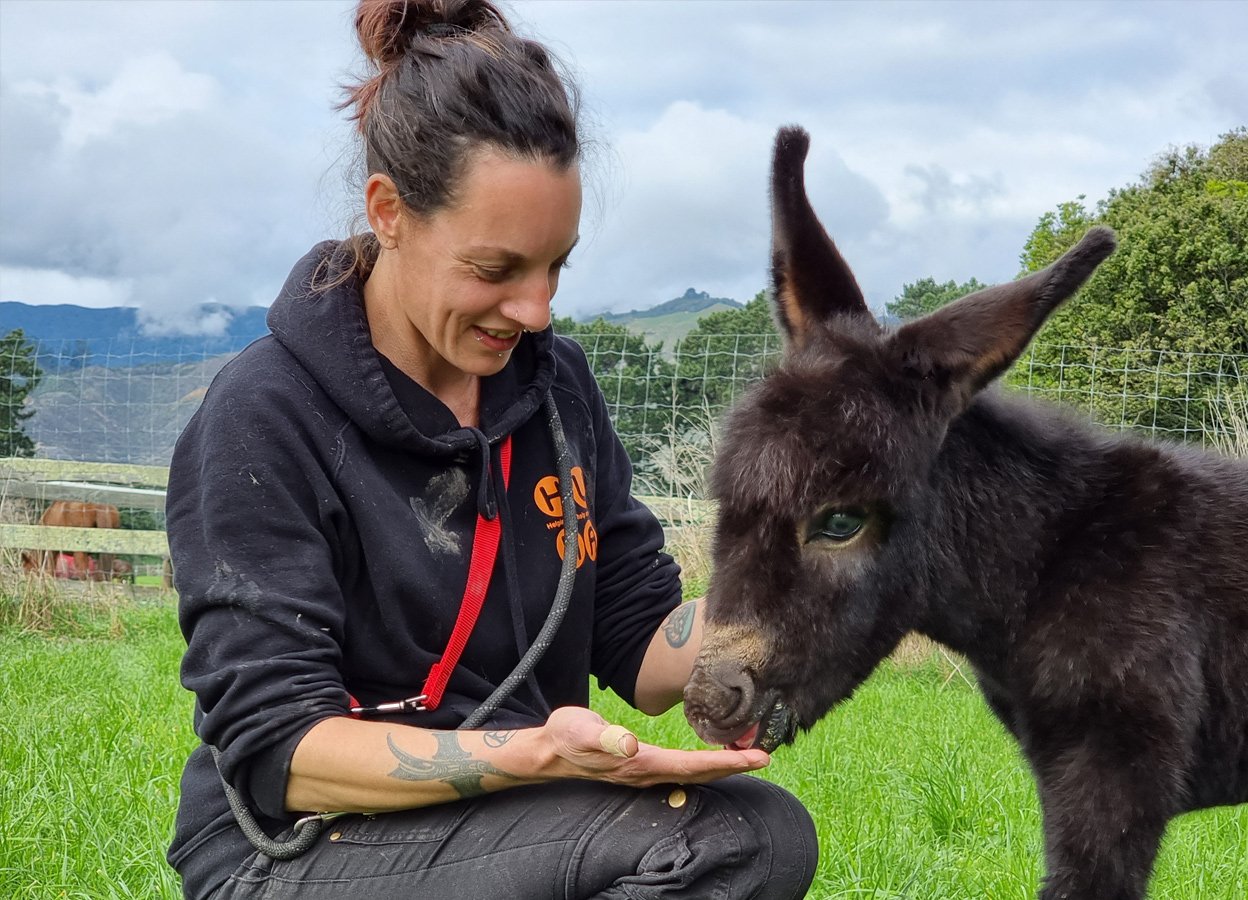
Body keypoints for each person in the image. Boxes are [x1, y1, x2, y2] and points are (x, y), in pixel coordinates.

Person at [164, 1, 818, 897]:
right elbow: (283, 752)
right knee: (720, 842)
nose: (536, 310)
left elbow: (640, 646)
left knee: (758, 830)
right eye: (495, 269)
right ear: (389, 212)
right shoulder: (265, 413)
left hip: (505, 825)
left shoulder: (558, 390)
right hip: (293, 847)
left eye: (557, 265)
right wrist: (537, 753)